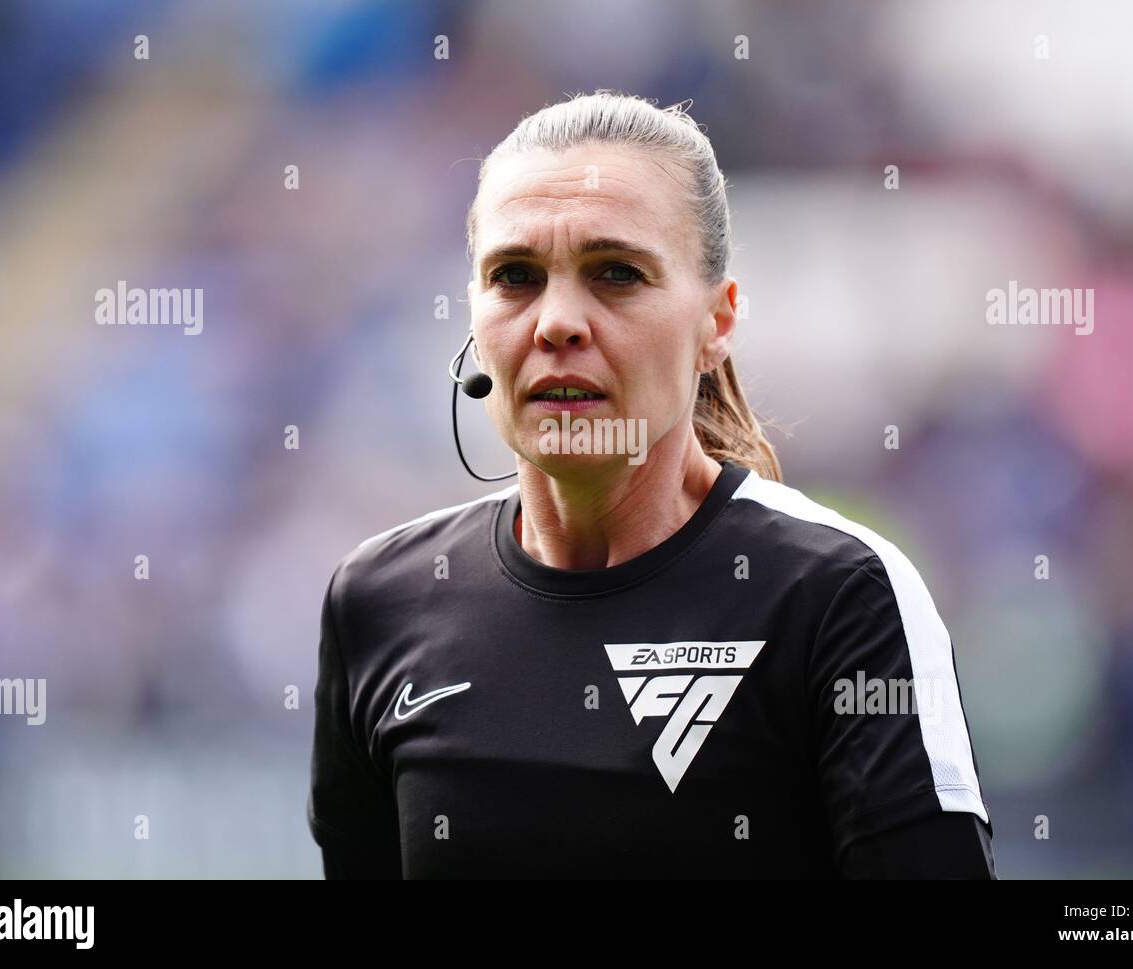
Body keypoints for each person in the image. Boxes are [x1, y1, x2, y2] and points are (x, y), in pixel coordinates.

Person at [308, 90, 995, 878]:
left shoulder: (840, 598)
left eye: (616, 273)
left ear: (718, 323)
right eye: (516, 275)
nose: (557, 321)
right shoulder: (378, 601)